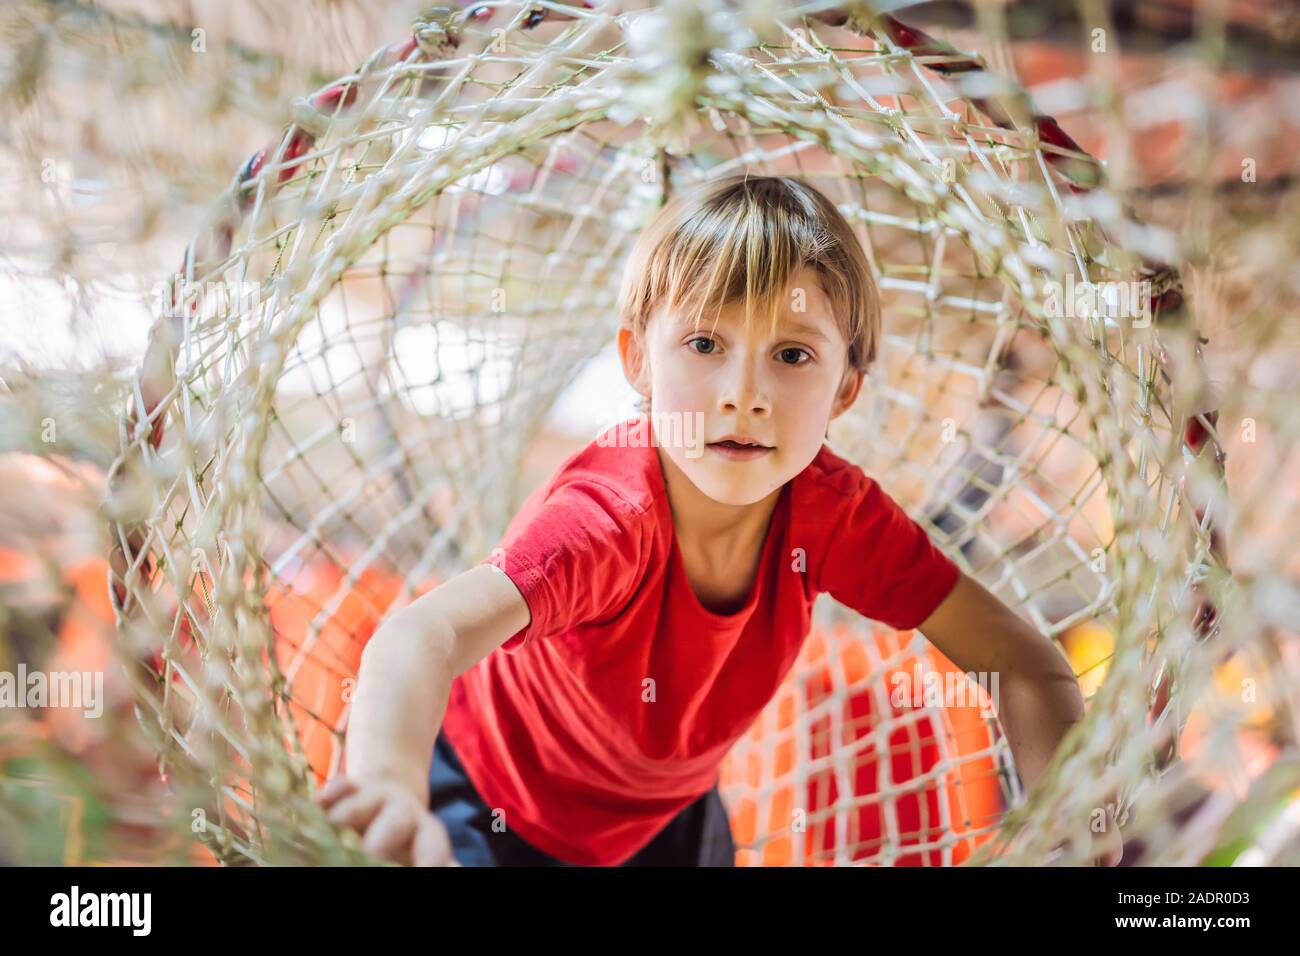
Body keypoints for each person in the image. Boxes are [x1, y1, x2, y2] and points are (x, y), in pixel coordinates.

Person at [315, 173, 1123, 867]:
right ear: (638, 362)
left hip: (665, 818)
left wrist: (1068, 811)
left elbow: (1027, 664)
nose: (745, 391)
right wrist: (389, 781)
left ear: (846, 389)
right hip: (493, 802)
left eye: (793, 354)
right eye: (704, 342)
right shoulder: (610, 517)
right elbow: (423, 634)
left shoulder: (833, 516)